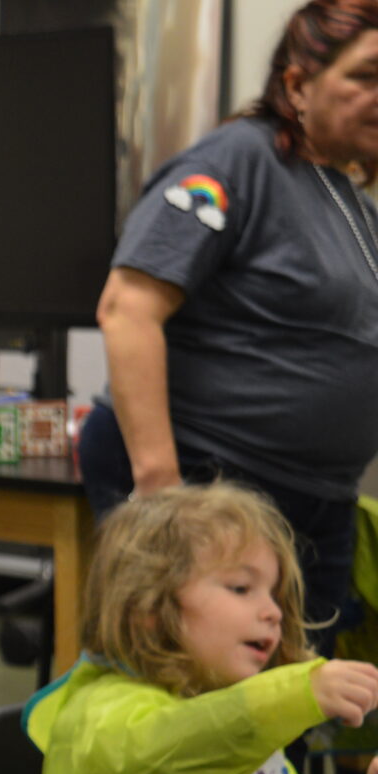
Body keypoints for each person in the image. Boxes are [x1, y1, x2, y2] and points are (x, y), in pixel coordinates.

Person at [86, 0, 378, 647]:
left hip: (313, 497)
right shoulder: (234, 164)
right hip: (213, 481)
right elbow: (127, 309)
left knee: (289, 706)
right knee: (196, 705)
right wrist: (165, 498)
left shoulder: (349, 202)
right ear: (299, 85)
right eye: (366, 76)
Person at [27, 482, 378, 774]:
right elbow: (160, 757)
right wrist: (294, 694)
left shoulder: (224, 696)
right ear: (149, 607)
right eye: (242, 588)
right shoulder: (101, 711)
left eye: (273, 594)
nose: (273, 612)